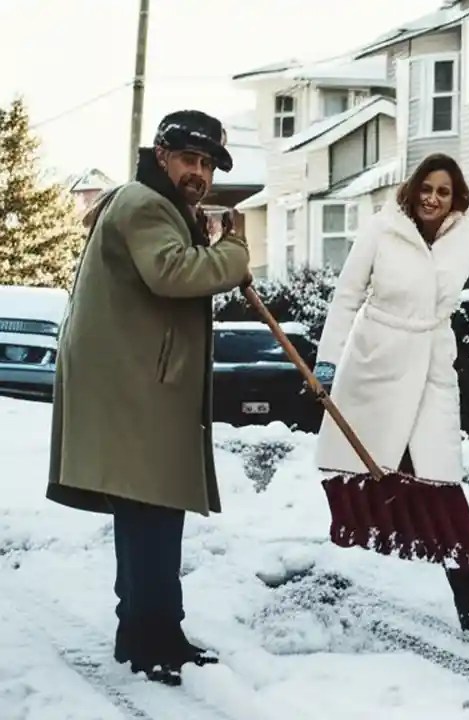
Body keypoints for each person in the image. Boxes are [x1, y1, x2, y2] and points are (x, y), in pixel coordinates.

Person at [47, 110, 252, 686]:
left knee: (148, 513)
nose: (200, 173)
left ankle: (146, 632)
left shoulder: (154, 204)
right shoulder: (145, 203)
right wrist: (234, 252)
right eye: (190, 158)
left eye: (208, 164)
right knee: (152, 512)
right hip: (139, 384)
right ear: (161, 154)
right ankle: (153, 640)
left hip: (138, 381)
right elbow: (172, 272)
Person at [312, 153, 469, 631]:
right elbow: (348, 294)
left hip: (433, 365)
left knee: (441, 481)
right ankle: (363, 528)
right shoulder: (382, 229)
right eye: (427, 188)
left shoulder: (465, 241)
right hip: (377, 360)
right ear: (413, 188)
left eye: (443, 191)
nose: (432, 198)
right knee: (369, 466)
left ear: (455, 199)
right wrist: (328, 360)